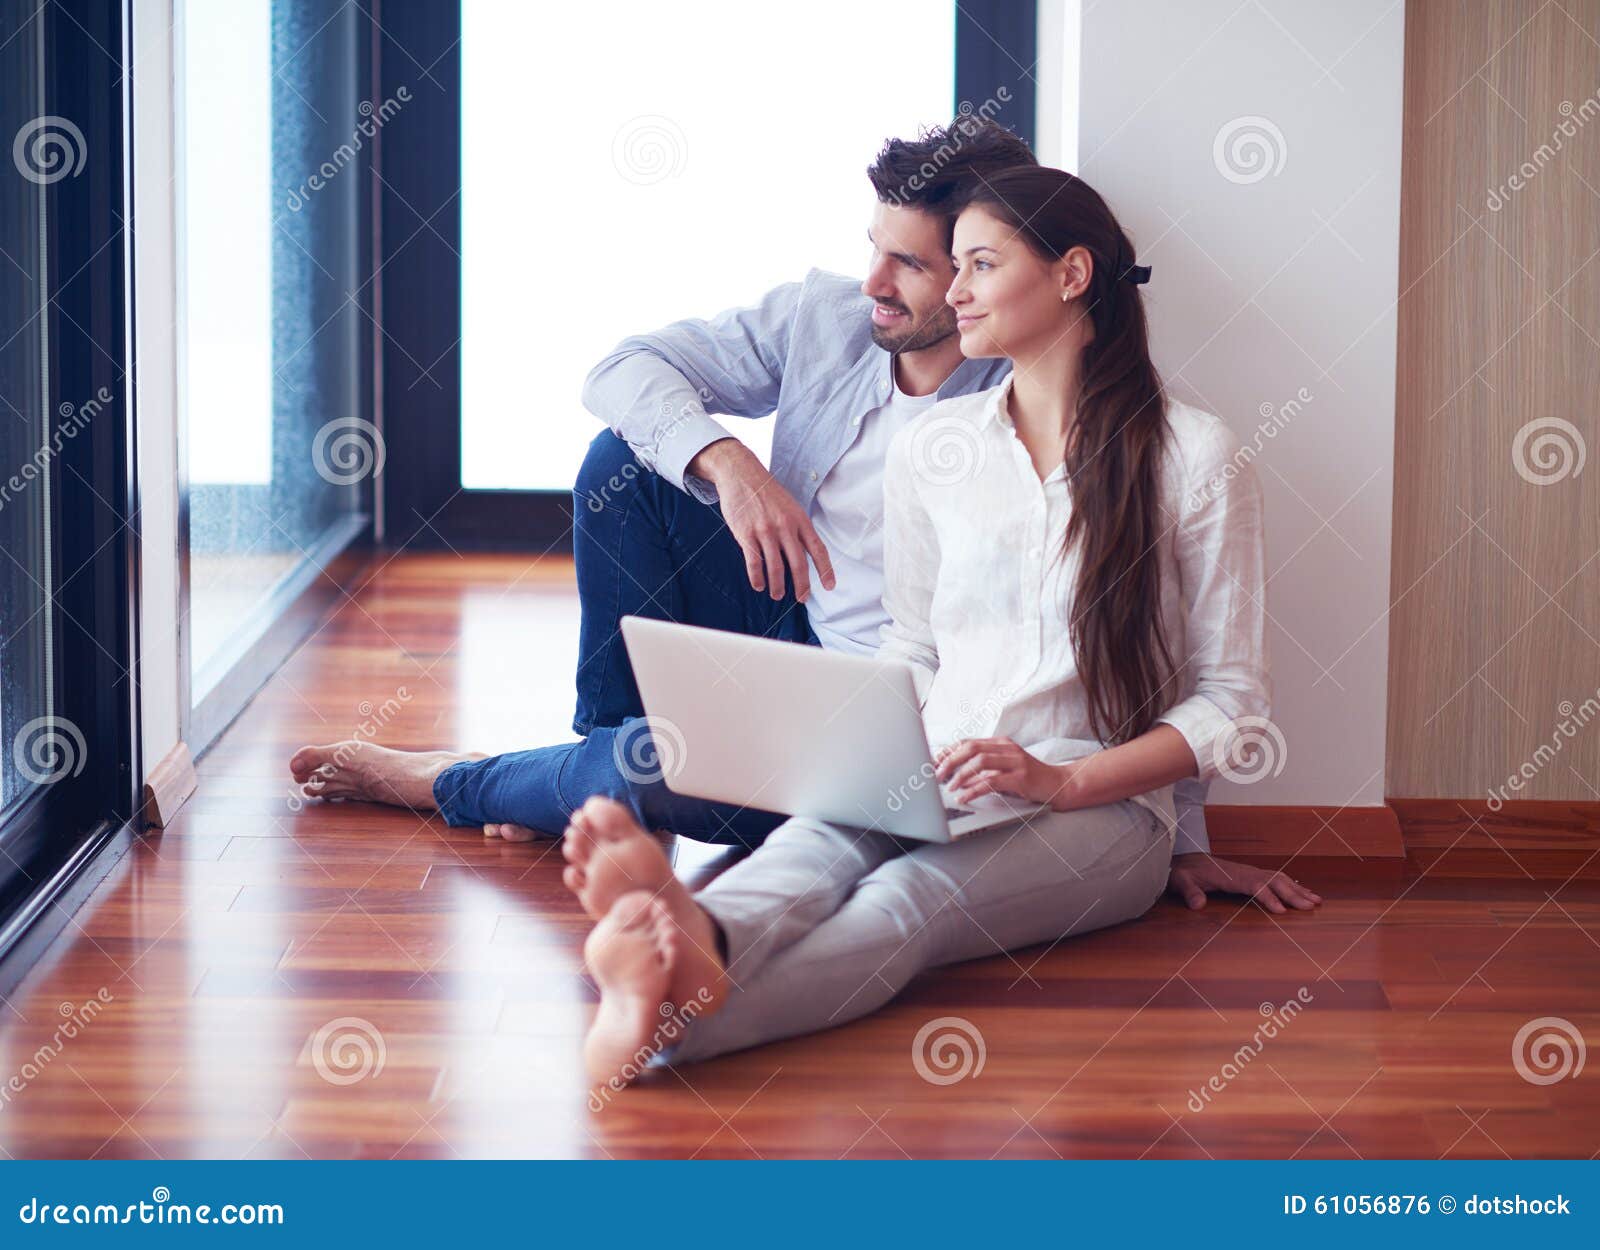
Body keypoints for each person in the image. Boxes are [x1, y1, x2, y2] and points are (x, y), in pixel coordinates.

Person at [288, 118, 1318, 913]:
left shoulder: (1031, 399)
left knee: (668, 768)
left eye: (918, 264)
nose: (877, 283)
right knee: (630, 461)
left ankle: (457, 781)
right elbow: (621, 370)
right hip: (781, 611)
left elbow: (1147, 631)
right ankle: (591, 766)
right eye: (878, 248)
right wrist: (730, 459)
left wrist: (1178, 839)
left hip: (880, 707)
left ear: (979, 265)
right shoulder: (830, 315)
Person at [558, 164, 1300, 1083]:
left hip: (1103, 813)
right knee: (815, 846)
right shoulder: (935, 453)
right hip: (933, 762)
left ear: (1071, 275)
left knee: (906, 899)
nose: (953, 292)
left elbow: (1234, 704)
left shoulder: (1196, 456)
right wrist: (847, 747)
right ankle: (692, 934)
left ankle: (671, 1016)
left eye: (979, 266)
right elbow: (912, 647)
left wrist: (1063, 783)